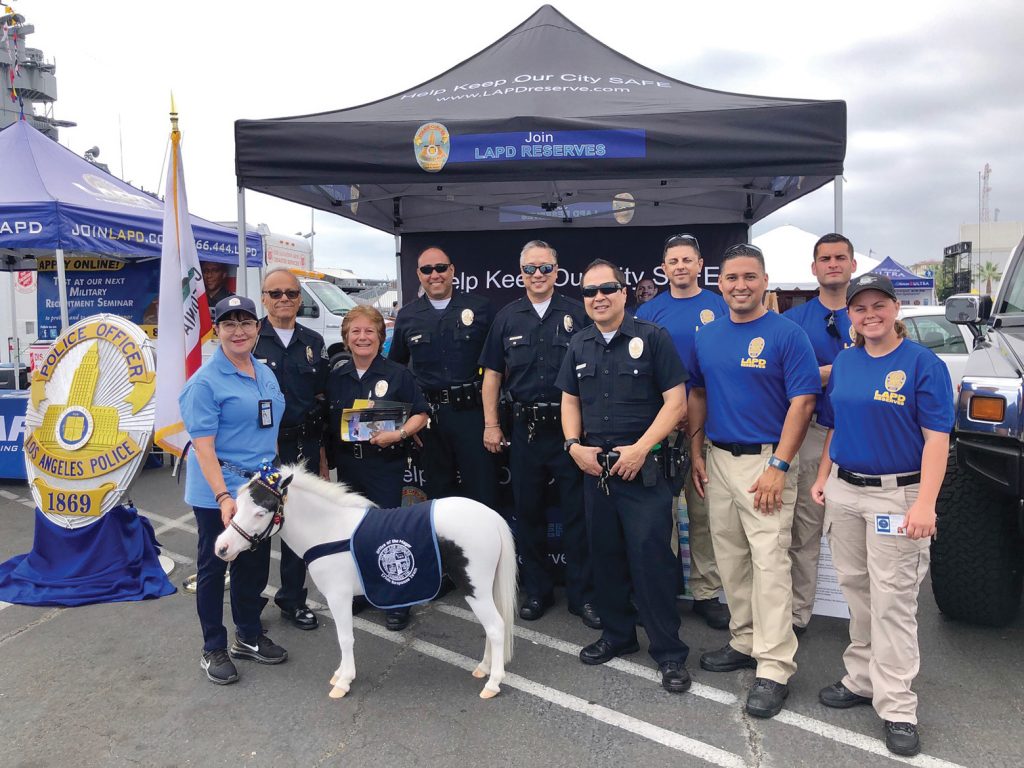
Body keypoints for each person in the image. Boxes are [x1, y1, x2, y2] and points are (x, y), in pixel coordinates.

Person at [810, 273, 953, 757]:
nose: (869, 314)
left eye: (878, 305)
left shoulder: (921, 364)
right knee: (857, 591)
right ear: (849, 315)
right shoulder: (846, 363)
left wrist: (926, 503)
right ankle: (863, 679)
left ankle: (897, 707)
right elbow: (834, 426)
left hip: (898, 497)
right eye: (859, 308)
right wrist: (823, 476)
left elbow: (937, 440)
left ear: (895, 309)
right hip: (846, 490)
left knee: (893, 601)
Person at [688, 243, 819, 718]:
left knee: (769, 565)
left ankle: (775, 666)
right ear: (718, 284)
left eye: (749, 277)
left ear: (765, 282)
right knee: (731, 558)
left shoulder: (787, 334)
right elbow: (698, 391)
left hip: (767, 463)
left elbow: (803, 404)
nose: (740, 286)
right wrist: (697, 451)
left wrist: (779, 467)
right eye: (731, 278)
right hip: (719, 459)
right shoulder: (708, 335)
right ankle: (744, 640)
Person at [557, 258, 691, 695]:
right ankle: (617, 636)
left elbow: (677, 403)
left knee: (651, 563)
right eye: (590, 291)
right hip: (596, 471)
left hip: (644, 471)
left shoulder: (653, 338)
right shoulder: (579, 344)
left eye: (607, 288)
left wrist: (642, 448)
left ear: (624, 291)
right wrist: (574, 446)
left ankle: (669, 653)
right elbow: (569, 401)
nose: (599, 297)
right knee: (606, 558)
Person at [480, 240, 598, 628]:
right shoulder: (508, 317)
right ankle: (537, 590)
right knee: (527, 513)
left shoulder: (577, 313)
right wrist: (491, 424)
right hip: (525, 429)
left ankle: (582, 595)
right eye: (530, 269)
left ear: (557, 271)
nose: (537, 275)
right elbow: (493, 376)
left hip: (571, 432)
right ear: (521, 274)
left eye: (545, 268)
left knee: (577, 514)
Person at [179, 295, 287, 685]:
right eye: (229, 324)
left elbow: (269, 432)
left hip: (259, 486)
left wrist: (274, 482)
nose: (238, 331)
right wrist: (224, 497)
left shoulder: (265, 372)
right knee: (214, 566)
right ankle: (213, 647)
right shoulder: (204, 383)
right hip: (218, 490)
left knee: (254, 563)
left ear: (258, 328)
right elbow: (203, 448)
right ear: (217, 331)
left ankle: (248, 634)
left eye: (245, 323)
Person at [636, 233, 730, 630]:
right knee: (661, 516)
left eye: (686, 260)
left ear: (699, 264)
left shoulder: (720, 306)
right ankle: (665, 591)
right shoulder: (649, 311)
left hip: (710, 424)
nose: (679, 267)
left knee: (703, 511)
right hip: (663, 424)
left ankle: (707, 592)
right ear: (664, 267)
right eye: (672, 261)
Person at [328, 305, 430, 631]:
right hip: (348, 466)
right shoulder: (336, 377)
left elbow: (421, 414)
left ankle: (397, 598)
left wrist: (398, 434)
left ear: (380, 337)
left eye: (369, 331)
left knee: (389, 534)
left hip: (385, 464)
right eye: (355, 332)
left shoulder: (397, 374)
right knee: (355, 531)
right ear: (346, 338)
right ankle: (363, 590)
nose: (362, 337)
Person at [782, 233, 857, 636]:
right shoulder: (795, 321)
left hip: (861, 437)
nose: (833, 263)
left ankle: (864, 617)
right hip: (813, 432)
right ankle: (798, 615)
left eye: (840, 257)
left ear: (852, 265)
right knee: (805, 530)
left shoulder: (866, 313)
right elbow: (785, 380)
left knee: (856, 533)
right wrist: (836, 371)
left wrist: (821, 373)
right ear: (814, 268)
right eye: (825, 258)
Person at [388, 246, 497, 506]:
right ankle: (446, 548)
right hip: (431, 421)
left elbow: (498, 365)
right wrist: (405, 421)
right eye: (427, 270)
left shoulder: (480, 308)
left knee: (483, 493)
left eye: (440, 268)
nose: (434, 275)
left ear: (452, 271)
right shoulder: (408, 316)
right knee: (439, 497)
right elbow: (396, 370)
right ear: (418, 274)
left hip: (473, 415)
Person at [253, 267, 329, 631]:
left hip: (303, 443)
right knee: (255, 523)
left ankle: (292, 599)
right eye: (276, 293)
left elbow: (322, 398)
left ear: (300, 299)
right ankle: (249, 599)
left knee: (297, 524)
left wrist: (324, 457)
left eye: (291, 293)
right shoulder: (249, 340)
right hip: (260, 448)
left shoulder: (313, 341)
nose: (284, 299)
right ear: (264, 298)